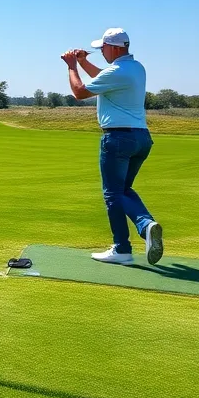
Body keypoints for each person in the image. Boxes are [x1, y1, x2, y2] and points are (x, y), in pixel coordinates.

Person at [62, 28, 163, 265]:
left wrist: (71, 66)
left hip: (118, 139)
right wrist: (84, 61)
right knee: (123, 191)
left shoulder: (117, 71)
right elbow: (103, 78)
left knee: (113, 194)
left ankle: (133, 237)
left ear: (115, 48)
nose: (101, 52)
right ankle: (130, 242)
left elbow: (79, 92)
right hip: (141, 138)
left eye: (103, 48)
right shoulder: (135, 68)